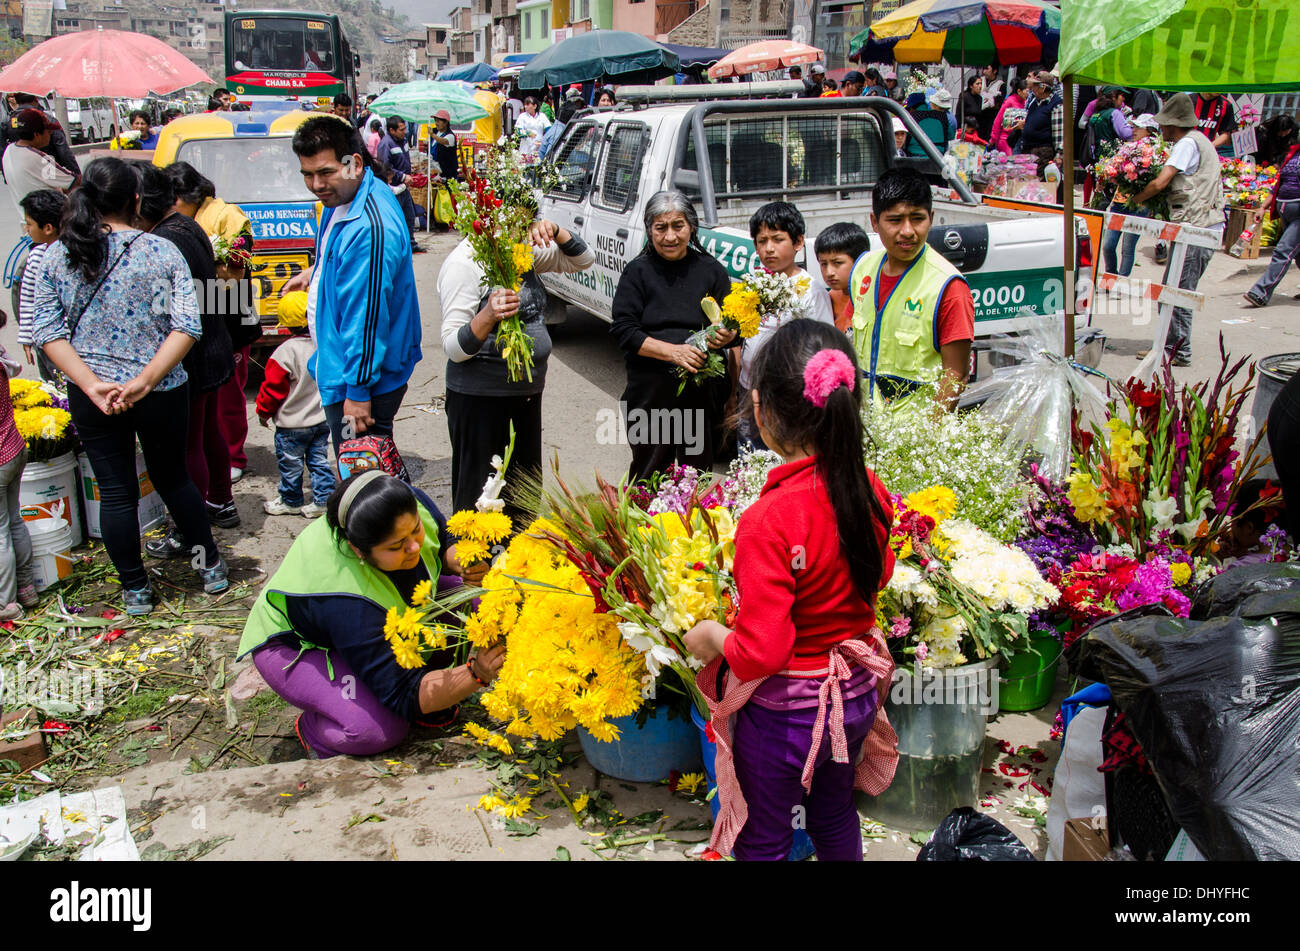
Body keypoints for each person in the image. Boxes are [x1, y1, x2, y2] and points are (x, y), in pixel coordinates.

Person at [683, 319, 896, 862]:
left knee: (765, 837)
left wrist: (712, 636)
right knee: (833, 813)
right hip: (850, 703)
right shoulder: (868, 489)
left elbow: (763, 652)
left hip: (783, 718)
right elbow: (881, 573)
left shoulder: (768, 519)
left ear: (761, 409)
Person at [29, 157, 229, 615]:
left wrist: (93, 385)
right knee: (173, 478)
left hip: (92, 394)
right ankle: (209, 567)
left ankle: (135, 590)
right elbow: (187, 326)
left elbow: (46, 331)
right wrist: (143, 381)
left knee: (116, 491)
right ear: (135, 200)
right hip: (159, 391)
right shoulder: (159, 251)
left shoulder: (58, 253)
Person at [237, 472, 504, 758]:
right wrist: (476, 675)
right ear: (358, 550)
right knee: (375, 730)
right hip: (294, 648)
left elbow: (442, 534)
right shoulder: (348, 603)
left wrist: (458, 559)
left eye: (415, 530)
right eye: (396, 546)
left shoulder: (404, 505)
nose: (414, 546)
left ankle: (428, 700)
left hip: (379, 616)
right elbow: (403, 692)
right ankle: (314, 729)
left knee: (480, 602)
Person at [282, 116, 422, 456]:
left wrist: (358, 394)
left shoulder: (369, 227)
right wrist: (317, 272)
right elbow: (341, 256)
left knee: (359, 464)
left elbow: (368, 317)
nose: (316, 184)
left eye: (325, 172)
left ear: (354, 163)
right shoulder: (343, 198)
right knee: (358, 462)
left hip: (360, 385)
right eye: (307, 174)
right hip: (342, 368)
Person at [437, 219, 593, 514]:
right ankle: (477, 559)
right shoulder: (464, 262)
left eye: (526, 220)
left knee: (523, 494)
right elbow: (453, 349)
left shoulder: (523, 252)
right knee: (480, 497)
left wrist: (556, 230)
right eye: (512, 219)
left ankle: (521, 557)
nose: (520, 229)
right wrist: (488, 315)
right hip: (479, 399)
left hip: (526, 394)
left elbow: (583, 259)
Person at [133, 165, 240, 556]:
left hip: (193, 352)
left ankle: (190, 528)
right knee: (208, 429)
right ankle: (220, 503)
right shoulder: (185, 224)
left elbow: (169, 309)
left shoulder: (164, 240)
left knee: (189, 442)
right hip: (212, 344)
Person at [610, 191, 735, 481]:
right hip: (650, 391)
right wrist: (673, 352)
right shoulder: (637, 272)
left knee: (696, 475)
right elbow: (624, 330)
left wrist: (725, 336)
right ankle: (643, 526)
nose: (670, 236)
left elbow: (735, 325)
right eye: (660, 227)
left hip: (701, 392)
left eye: (678, 226)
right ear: (649, 230)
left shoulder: (711, 271)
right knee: (649, 474)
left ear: (692, 227)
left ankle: (694, 526)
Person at [848, 168, 975, 406]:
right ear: (874, 222)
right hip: (861, 426)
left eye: (917, 218)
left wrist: (927, 437)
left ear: (931, 217)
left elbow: (956, 376)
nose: (907, 231)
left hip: (912, 438)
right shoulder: (863, 269)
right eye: (895, 220)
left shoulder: (948, 287)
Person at [167, 161, 257, 492]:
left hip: (229, 312)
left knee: (229, 394)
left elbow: (242, 258)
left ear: (188, 194)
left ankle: (234, 457)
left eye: (173, 198)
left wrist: (211, 267)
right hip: (205, 312)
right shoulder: (186, 219)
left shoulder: (226, 214)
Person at [1127, 94, 1224, 367]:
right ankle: (1167, 345)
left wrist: (1134, 199)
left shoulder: (1187, 144)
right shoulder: (1198, 141)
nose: (1162, 129)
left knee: (1178, 292)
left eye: (1165, 125)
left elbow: (1161, 182)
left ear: (1173, 125)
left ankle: (1177, 351)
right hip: (1202, 225)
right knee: (1173, 289)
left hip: (1198, 228)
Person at [740, 202, 836, 450]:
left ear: (798, 242)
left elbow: (823, 350)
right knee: (747, 459)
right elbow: (741, 342)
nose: (769, 248)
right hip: (748, 391)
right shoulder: (752, 285)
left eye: (777, 239)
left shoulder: (810, 291)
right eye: (762, 241)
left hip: (786, 398)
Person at [256, 291, 335, 517]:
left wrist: (263, 412)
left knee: (291, 465)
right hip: (321, 420)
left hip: (291, 425)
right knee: (319, 460)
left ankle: (291, 500)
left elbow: (272, 390)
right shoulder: (323, 345)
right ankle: (323, 499)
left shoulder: (284, 352)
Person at [0, 338, 37, 620]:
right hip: (13, 448)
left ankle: (6, 603)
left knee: (1, 531)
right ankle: (26, 588)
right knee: (13, 518)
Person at [1100, 114, 1161, 282]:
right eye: (1132, 127)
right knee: (1108, 245)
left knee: (1128, 247)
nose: (1133, 130)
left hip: (1140, 205)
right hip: (1120, 202)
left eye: (1137, 128)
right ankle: (1110, 277)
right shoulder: (1127, 149)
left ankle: (1120, 282)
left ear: (1149, 131)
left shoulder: (1156, 153)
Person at [1243, 132, 1300, 308]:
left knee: (1283, 251)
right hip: (1285, 209)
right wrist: (1263, 206)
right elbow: (1279, 184)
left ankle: (1261, 292)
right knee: (1298, 254)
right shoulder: (1293, 154)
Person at [17, 189, 66, 382]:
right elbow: (28, 299)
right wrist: (27, 337)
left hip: (65, 343)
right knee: (51, 385)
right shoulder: (36, 255)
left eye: (29, 224)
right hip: (43, 341)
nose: (26, 229)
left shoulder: (71, 253)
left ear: (48, 228)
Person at [2, 111, 76, 222]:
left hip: (28, 220)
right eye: (48, 131)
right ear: (37, 134)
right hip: (51, 221)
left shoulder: (9, 150)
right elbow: (72, 181)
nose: (50, 135)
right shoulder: (36, 158)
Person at [4, 94, 80, 180]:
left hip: (20, 175)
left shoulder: (8, 122)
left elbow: (2, 149)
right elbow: (64, 151)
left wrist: (6, 174)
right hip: (48, 173)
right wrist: (77, 175)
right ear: (36, 99)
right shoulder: (47, 120)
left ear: (16, 101)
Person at [376, 116, 423, 252]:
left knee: (409, 216)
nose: (405, 132)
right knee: (395, 219)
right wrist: (402, 176)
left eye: (405, 129)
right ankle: (397, 247)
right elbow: (386, 167)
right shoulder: (386, 144)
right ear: (392, 130)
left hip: (404, 187)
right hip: (394, 187)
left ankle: (410, 244)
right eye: (401, 130)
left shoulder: (403, 141)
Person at [814, 222, 870, 333]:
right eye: (824, 264)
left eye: (837, 263)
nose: (829, 272)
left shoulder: (871, 296)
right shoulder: (829, 298)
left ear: (860, 260)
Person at [1015, 71, 1061, 155]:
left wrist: (1059, 155)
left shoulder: (1056, 105)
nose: (1032, 89)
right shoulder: (1034, 102)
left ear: (1043, 88)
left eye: (1035, 86)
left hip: (1043, 153)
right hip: (1028, 151)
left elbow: (1059, 134)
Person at [989, 77, 1027, 155]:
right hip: (1006, 139)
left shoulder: (1026, 102)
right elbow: (998, 120)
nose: (1029, 93)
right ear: (1019, 91)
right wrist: (993, 138)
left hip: (1018, 139)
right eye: (1027, 91)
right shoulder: (1009, 101)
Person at [1192, 92, 1236, 156]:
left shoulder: (1226, 104)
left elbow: (1226, 134)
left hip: (1206, 154)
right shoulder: (1188, 100)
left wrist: (1210, 146)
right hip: (1185, 150)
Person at [516, 97, 551, 161]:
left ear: (535, 106)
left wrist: (544, 139)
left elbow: (549, 130)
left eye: (528, 104)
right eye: (525, 105)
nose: (525, 107)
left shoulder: (542, 116)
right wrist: (527, 134)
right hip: (526, 150)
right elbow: (518, 131)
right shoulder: (522, 116)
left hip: (539, 149)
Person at [430, 109, 458, 182]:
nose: (436, 123)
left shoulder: (450, 136)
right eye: (435, 121)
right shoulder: (435, 132)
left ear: (446, 122)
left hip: (448, 174)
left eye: (438, 121)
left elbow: (444, 141)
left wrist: (432, 135)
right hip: (436, 172)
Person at [978, 66, 1005, 141]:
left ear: (995, 71)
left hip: (991, 119)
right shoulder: (980, 80)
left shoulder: (1000, 85)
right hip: (978, 117)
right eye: (983, 69)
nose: (984, 71)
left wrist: (991, 101)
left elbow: (999, 103)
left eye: (987, 69)